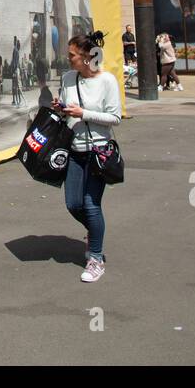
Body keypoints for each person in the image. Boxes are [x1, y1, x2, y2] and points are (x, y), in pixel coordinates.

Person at [54, 30, 122, 283]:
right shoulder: (68, 78)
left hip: (98, 151)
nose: (68, 58)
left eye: (72, 55)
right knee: (73, 204)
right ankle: (95, 231)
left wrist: (84, 113)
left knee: (91, 204)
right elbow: (66, 107)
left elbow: (115, 118)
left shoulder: (107, 81)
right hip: (74, 150)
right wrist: (60, 108)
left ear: (86, 57)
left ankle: (95, 257)